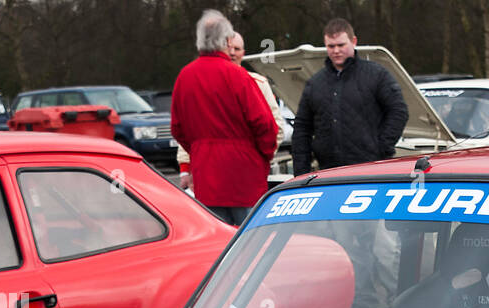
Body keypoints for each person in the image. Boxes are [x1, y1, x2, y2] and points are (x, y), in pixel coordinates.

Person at [171, 9, 278, 225]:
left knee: (220, 246)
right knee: (251, 241)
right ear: (228, 41)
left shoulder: (185, 77)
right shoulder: (238, 76)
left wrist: (199, 152)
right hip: (244, 176)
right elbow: (265, 124)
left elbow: (178, 128)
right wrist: (263, 157)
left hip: (206, 177)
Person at [292, 17, 408, 175]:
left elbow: (398, 111)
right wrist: (301, 173)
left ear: (354, 41)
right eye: (331, 46)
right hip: (329, 172)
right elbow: (302, 128)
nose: (336, 50)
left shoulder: (376, 75)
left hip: (371, 169)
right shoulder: (315, 83)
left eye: (341, 45)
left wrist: (381, 147)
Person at [227, 32, 292, 145]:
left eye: (237, 49)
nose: (232, 53)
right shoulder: (206, 83)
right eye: (228, 48)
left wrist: (261, 157)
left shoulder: (259, 84)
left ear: (243, 53)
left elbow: (277, 127)